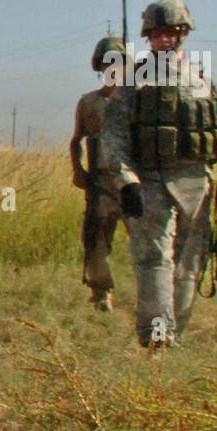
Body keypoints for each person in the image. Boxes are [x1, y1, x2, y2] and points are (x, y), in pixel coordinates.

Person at [101, 0, 217, 347]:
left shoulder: (202, 80)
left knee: (190, 262)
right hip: (150, 182)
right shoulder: (133, 82)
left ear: (184, 34)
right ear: (148, 36)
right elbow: (114, 136)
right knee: (154, 261)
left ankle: (175, 334)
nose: (168, 40)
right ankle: (157, 340)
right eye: (160, 33)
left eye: (175, 33)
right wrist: (126, 182)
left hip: (197, 182)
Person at [70, 36, 126, 312]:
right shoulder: (89, 102)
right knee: (95, 239)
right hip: (101, 179)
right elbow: (76, 139)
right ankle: (102, 292)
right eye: (107, 64)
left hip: (135, 181)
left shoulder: (137, 100)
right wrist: (77, 169)